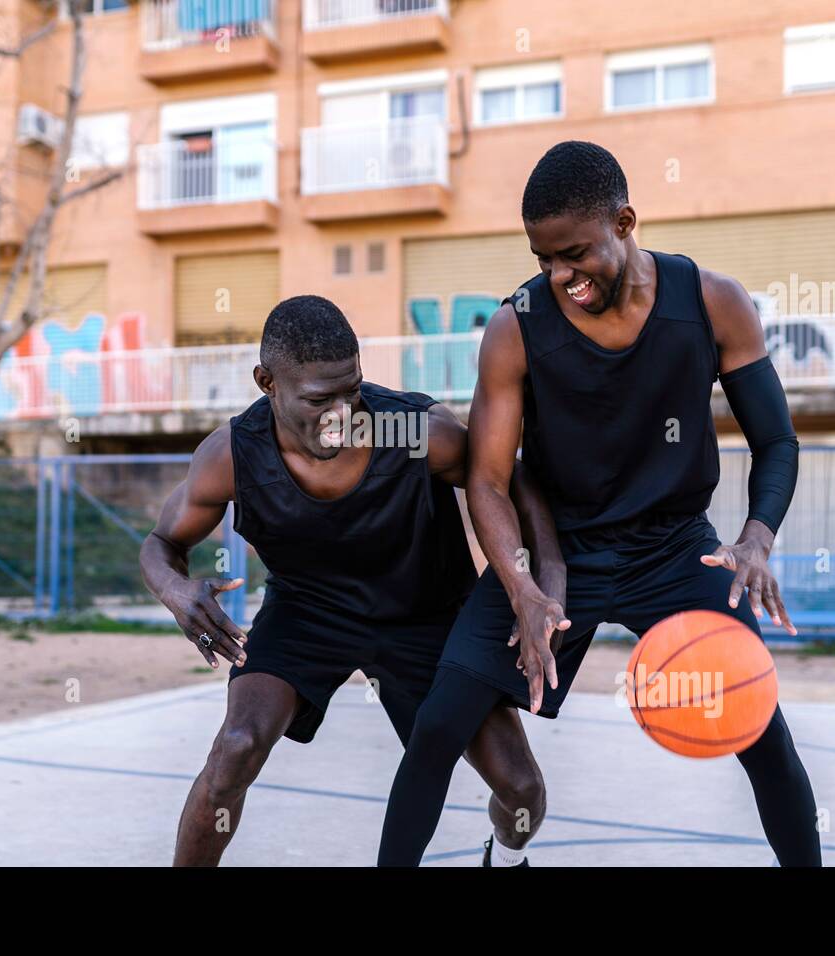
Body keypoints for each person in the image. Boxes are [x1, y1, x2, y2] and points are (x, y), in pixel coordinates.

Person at [377, 141, 822, 867]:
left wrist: (756, 539)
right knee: (438, 725)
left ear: (624, 221)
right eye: (543, 258)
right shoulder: (516, 326)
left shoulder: (712, 302)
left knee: (763, 731)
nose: (560, 276)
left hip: (678, 551)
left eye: (574, 254)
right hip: (563, 554)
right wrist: (520, 585)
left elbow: (777, 442)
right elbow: (488, 481)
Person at [141, 294, 563, 866]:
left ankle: (507, 859)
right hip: (308, 613)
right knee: (235, 751)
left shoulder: (410, 431)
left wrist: (545, 580)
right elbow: (162, 545)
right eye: (319, 399)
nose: (341, 412)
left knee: (522, 791)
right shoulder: (233, 457)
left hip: (428, 615)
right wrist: (174, 590)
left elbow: (506, 479)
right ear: (266, 382)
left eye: (352, 390)